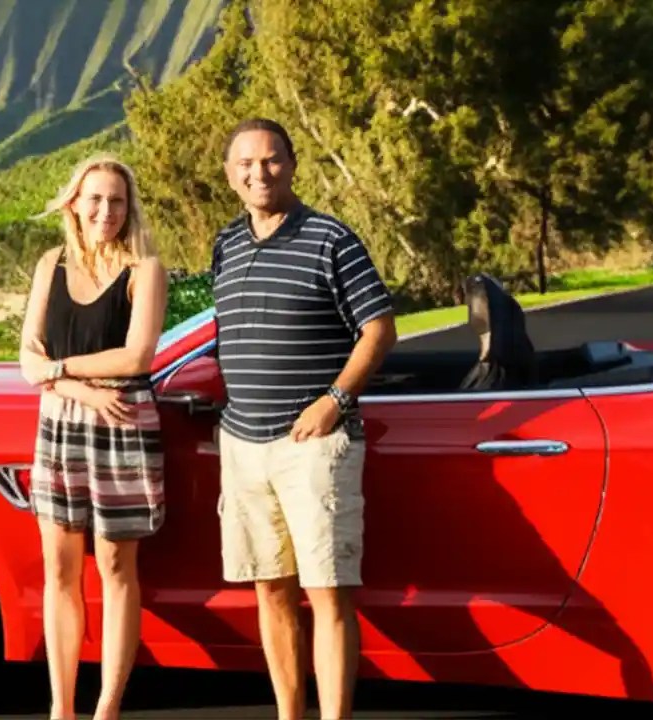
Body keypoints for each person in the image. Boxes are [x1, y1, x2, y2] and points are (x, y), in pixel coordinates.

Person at [210, 118, 398, 719]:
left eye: (270, 161)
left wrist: (334, 401)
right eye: (245, 163)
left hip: (313, 447)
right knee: (270, 590)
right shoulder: (226, 244)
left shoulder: (331, 239)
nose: (258, 173)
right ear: (229, 173)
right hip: (243, 446)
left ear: (292, 165)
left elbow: (379, 328)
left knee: (328, 595)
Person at [18, 154, 168, 720]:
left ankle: (106, 707)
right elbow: (29, 361)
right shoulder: (48, 264)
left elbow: (137, 356)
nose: (106, 211)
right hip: (60, 424)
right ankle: (62, 708)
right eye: (96, 199)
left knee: (115, 567)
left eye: (118, 201)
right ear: (74, 204)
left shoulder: (144, 269)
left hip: (122, 423)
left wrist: (58, 370)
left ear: (130, 210)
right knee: (60, 570)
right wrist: (75, 385)